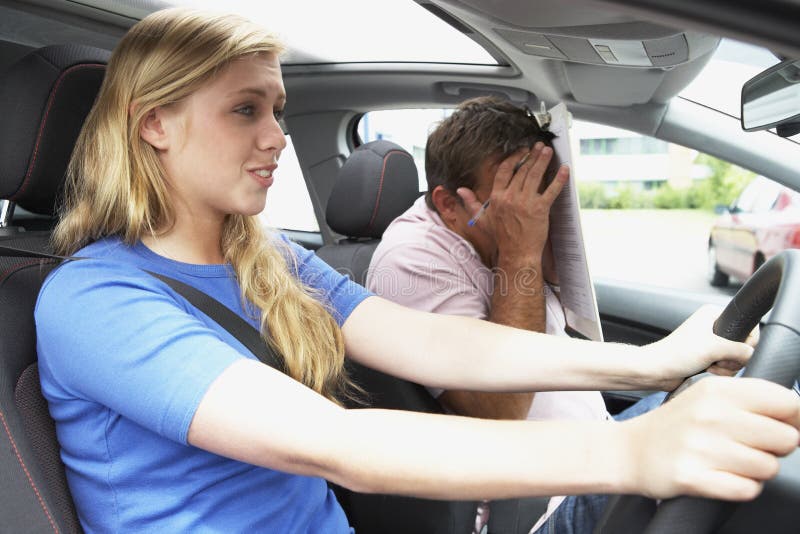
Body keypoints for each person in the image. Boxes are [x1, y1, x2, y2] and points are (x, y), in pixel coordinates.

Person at [33, 8, 800, 534]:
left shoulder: (266, 260)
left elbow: (439, 344)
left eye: (279, 108)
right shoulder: (95, 299)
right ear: (155, 124)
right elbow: (332, 444)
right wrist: (631, 455)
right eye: (245, 110)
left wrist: (652, 363)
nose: (272, 136)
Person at [366, 96, 663, 534]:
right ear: (449, 204)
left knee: (725, 396)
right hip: (534, 506)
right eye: (512, 199)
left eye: (536, 192)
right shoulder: (410, 262)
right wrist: (520, 249)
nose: (530, 209)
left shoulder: (504, 229)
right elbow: (499, 411)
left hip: (588, 453)